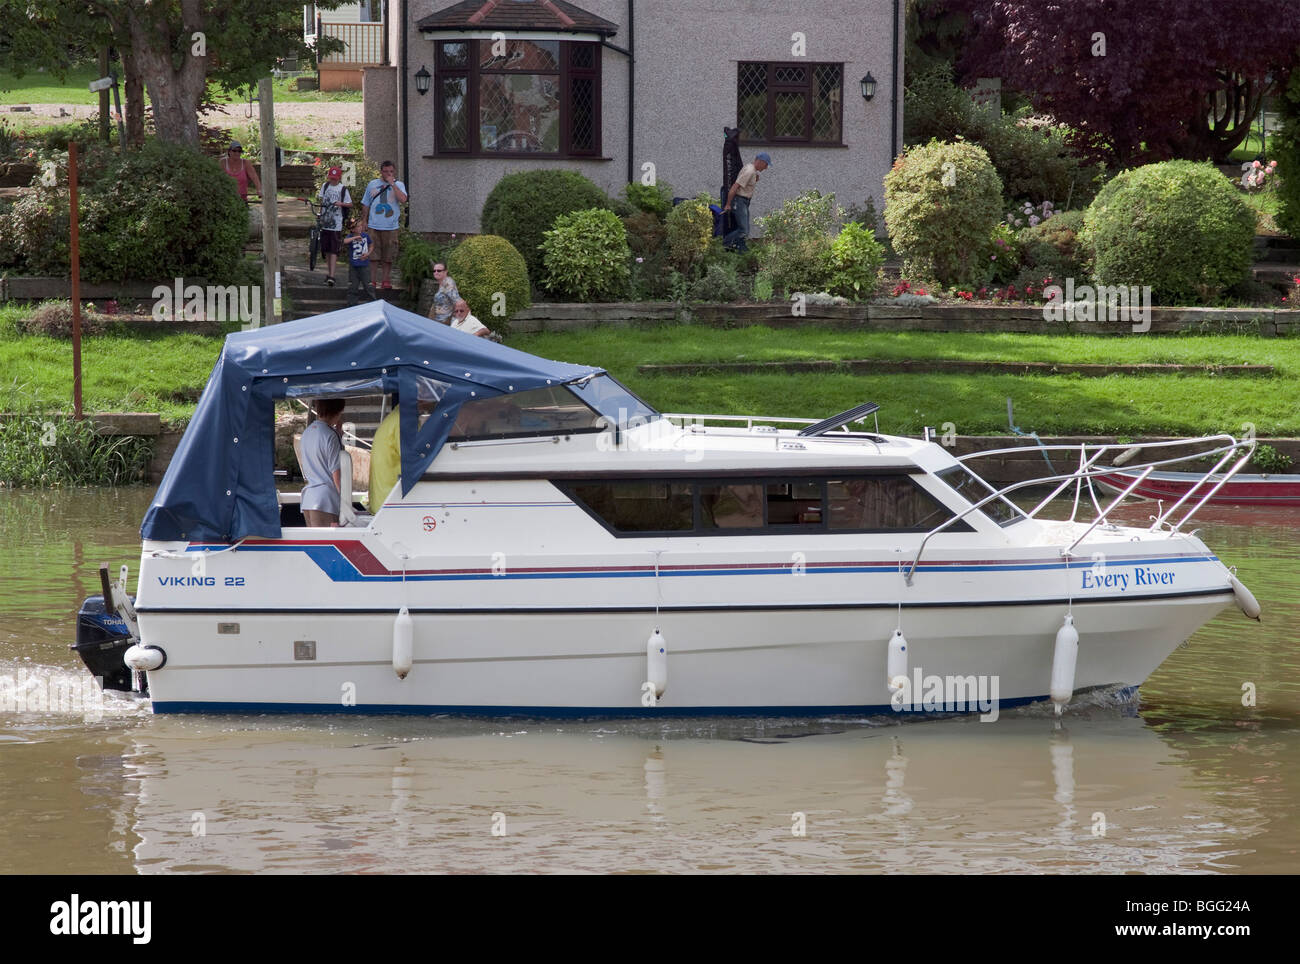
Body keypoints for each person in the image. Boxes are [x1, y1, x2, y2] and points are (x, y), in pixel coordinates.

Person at [367, 397, 436, 511]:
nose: (435, 401)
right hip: (393, 502)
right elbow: (416, 460)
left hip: (384, 500)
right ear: (421, 399)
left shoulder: (397, 416)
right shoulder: (405, 421)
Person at [360, 160, 407, 290]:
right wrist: (364, 220)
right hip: (374, 225)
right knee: (373, 255)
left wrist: (393, 184)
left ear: (394, 172)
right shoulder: (372, 184)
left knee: (388, 255)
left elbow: (403, 200)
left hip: (391, 226)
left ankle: (386, 280)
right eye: (386, 171)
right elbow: (366, 203)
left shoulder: (399, 184)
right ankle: (373, 281)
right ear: (381, 172)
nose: (388, 174)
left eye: (391, 171)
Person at [299, 399, 346, 527]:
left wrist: (338, 438)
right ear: (336, 412)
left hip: (309, 500)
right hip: (326, 501)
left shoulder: (307, 432)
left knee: (315, 545)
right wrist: (346, 503)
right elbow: (336, 474)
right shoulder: (331, 435)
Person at [722, 152, 771, 252]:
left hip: (743, 202)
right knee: (743, 231)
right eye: (766, 165)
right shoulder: (749, 171)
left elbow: (744, 184)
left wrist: (754, 179)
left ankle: (738, 249)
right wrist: (727, 204)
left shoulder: (752, 170)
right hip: (739, 202)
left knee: (744, 229)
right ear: (760, 162)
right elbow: (735, 187)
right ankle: (724, 245)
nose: (766, 168)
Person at [318, 165, 352, 287]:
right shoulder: (325, 186)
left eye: (335, 179)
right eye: (331, 178)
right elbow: (322, 201)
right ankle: (329, 273)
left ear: (339, 178)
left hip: (336, 223)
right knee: (326, 249)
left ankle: (332, 275)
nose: (333, 181)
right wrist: (320, 215)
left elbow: (350, 204)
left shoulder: (343, 189)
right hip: (325, 221)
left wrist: (340, 203)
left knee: (334, 249)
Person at [342, 218, 376, 306]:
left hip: (364, 265)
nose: (360, 228)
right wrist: (355, 237)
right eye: (358, 226)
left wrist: (368, 253)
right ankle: (352, 304)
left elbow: (371, 245)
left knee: (368, 285)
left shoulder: (366, 236)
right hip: (353, 266)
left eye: (361, 226)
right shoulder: (350, 236)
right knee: (353, 285)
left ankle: (372, 302)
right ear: (352, 229)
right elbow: (344, 241)